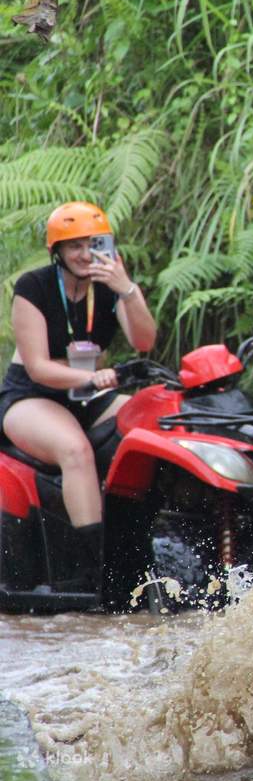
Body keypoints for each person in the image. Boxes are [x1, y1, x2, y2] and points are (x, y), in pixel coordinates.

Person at [0, 201, 156, 591]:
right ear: (58, 252)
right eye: (75, 247)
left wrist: (128, 290)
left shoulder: (109, 285)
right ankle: (94, 571)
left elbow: (145, 341)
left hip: (91, 394)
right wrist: (96, 377)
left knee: (150, 424)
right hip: (33, 395)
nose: (86, 255)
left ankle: (144, 534)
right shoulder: (33, 287)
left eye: (93, 244)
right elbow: (38, 366)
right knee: (76, 451)